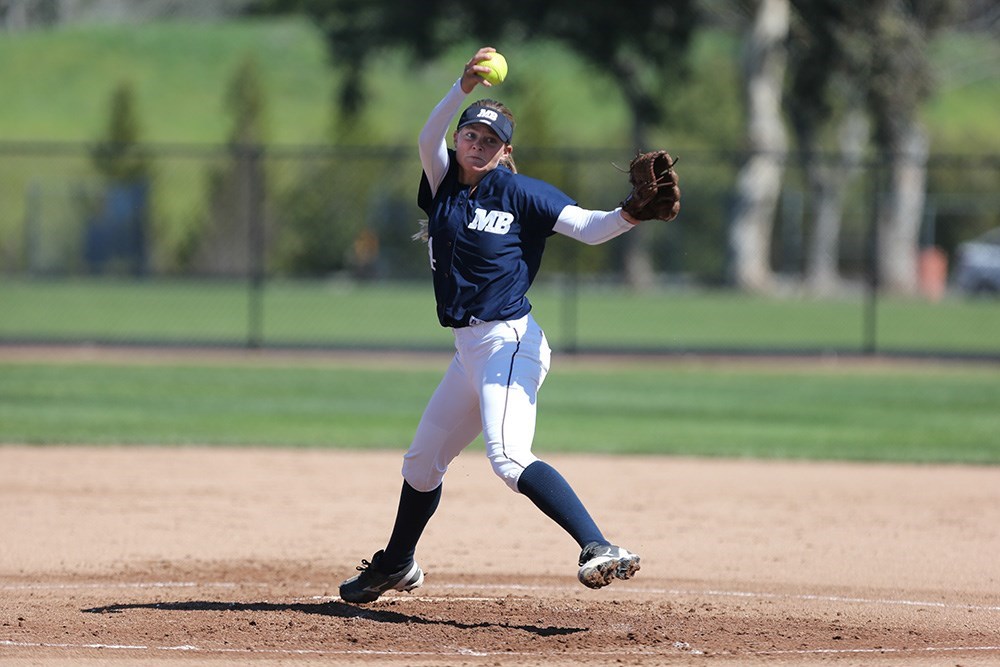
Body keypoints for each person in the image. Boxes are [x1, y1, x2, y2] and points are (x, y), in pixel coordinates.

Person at [339, 46, 646, 604]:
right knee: (421, 464)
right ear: (459, 139)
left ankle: (599, 546)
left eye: (490, 140)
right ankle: (397, 563)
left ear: (506, 151)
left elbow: (589, 227)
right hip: (469, 349)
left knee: (508, 457)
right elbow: (426, 137)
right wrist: (462, 87)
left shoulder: (521, 193)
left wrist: (631, 212)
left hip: (509, 341)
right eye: (471, 135)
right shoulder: (442, 183)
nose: (477, 145)